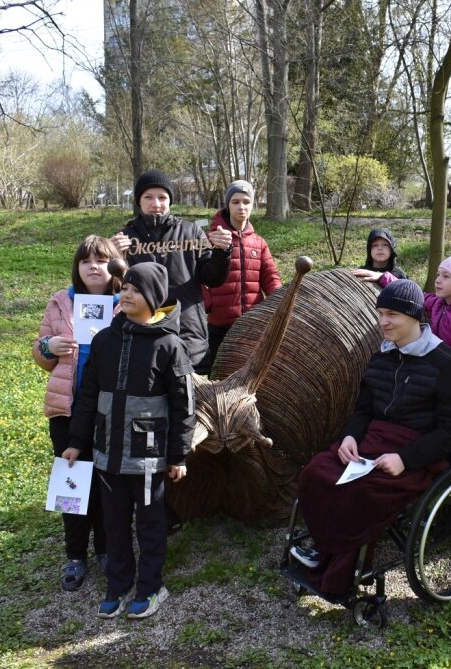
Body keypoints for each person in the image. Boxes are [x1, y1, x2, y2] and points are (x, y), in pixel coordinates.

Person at [290, 280, 451, 598]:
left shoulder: (446, 365)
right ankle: (326, 547)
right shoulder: (382, 358)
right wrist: (349, 437)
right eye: (380, 314)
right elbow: (363, 410)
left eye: (392, 315)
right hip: (372, 441)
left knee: (361, 489)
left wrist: (405, 459)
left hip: (418, 453)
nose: (383, 322)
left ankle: (338, 563)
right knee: (316, 472)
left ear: (415, 317)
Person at [64, 263, 194, 619]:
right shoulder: (106, 339)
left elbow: (184, 405)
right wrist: (76, 440)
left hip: (148, 458)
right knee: (115, 523)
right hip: (108, 453)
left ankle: (151, 587)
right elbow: (88, 394)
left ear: (153, 297)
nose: (126, 294)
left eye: (135, 290)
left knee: (150, 525)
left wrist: (178, 455)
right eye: (125, 288)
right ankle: (117, 585)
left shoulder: (169, 345)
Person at [33, 235, 122, 592]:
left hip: (109, 409)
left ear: (113, 266)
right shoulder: (60, 302)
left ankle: (105, 549)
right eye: (86, 261)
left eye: (101, 260)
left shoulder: (125, 303)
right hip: (67, 410)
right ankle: (75, 554)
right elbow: (40, 355)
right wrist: (47, 346)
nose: (93, 267)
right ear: (77, 267)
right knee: (72, 482)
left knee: (105, 482)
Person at [111, 169, 233, 375]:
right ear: (139, 201)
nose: (156, 203)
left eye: (162, 197)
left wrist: (222, 252)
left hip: (188, 332)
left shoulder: (191, 232)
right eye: (148, 197)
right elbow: (115, 288)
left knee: (191, 398)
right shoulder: (126, 238)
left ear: (170, 201)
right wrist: (115, 258)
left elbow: (213, 279)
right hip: (142, 331)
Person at [353, 253, 451, 384]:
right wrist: (383, 277)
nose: (438, 280)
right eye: (438, 275)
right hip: (433, 372)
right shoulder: (438, 303)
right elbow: (412, 296)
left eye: (446, 276)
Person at [202, 179, 282, 369]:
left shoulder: (259, 243)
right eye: (235, 202)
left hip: (253, 324)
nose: (241, 207)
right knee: (219, 375)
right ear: (228, 205)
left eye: (246, 202)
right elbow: (198, 276)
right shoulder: (210, 239)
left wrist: (280, 302)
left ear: (252, 205)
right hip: (220, 325)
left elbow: (270, 277)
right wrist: (209, 302)